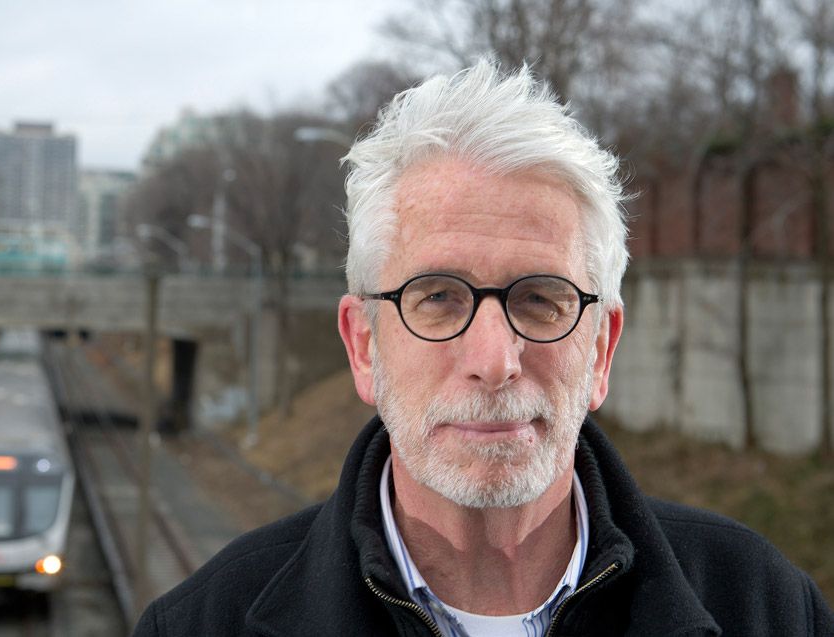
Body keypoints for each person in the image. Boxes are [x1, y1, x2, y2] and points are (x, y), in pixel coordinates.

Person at [133, 60, 834, 636]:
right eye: (437, 297)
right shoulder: (200, 621)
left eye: (540, 298)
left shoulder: (766, 607)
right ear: (362, 345)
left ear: (601, 348)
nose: (495, 359)